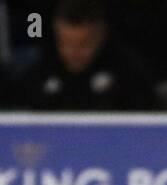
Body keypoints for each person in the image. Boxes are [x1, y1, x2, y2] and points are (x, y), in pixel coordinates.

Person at [12, 0, 156, 111]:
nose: (74, 53)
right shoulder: (42, 73)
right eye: (65, 44)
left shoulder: (129, 73)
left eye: (84, 45)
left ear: (101, 36)